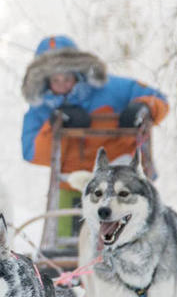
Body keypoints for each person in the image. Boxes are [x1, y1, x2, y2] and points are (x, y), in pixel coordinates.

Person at [20, 35, 169, 237]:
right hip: (71, 184)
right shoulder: (40, 110)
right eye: (55, 80)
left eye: (67, 77)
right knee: (67, 245)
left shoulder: (112, 88)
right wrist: (57, 123)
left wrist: (141, 106)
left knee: (134, 239)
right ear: (45, 82)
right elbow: (31, 153)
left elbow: (157, 99)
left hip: (122, 179)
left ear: (78, 72)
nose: (62, 84)